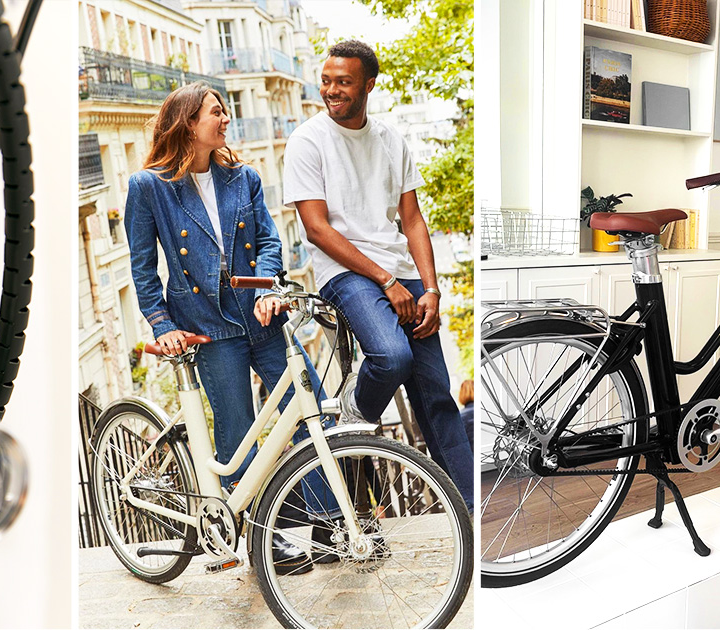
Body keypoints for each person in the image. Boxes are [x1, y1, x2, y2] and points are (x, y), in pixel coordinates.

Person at [125, 82, 334, 574]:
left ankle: (331, 523)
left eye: (224, 111)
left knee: (314, 415)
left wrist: (266, 288)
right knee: (239, 433)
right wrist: (161, 322)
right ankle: (268, 540)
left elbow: (268, 241)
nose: (225, 119)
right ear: (187, 123)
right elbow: (142, 266)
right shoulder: (149, 186)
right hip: (208, 326)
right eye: (216, 112)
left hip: (264, 318)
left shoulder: (244, 177)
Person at [283, 41, 475, 509]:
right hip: (346, 272)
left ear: (369, 85)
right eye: (326, 80)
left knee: (437, 397)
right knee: (392, 357)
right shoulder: (307, 140)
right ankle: (351, 416)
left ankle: (471, 508)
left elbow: (412, 220)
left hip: (401, 272)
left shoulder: (391, 140)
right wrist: (386, 281)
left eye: (343, 82)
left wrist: (430, 289)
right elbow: (316, 229)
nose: (331, 90)